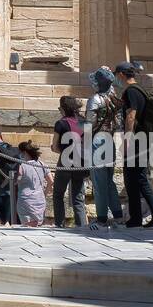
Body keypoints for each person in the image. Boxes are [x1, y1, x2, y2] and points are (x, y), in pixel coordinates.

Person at [115, 62, 153, 228]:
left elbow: (131, 116)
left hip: (137, 141)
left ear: (122, 74)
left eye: (117, 74)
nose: (116, 78)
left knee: (140, 178)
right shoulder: (140, 90)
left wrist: (126, 140)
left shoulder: (131, 91)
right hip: (143, 139)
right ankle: (135, 218)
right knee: (130, 179)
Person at [84, 67, 124, 229]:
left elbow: (89, 124)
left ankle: (101, 220)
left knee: (99, 183)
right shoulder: (115, 99)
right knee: (109, 182)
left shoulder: (95, 100)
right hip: (110, 140)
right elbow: (119, 123)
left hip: (97, 140)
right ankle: (118, 217)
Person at [50, 95, 88, 227]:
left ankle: (60, 224)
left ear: (63, 108)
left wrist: (63, 151)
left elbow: (54, 147)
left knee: (58, 194)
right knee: (78, 196)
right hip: (81, 162)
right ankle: (82, 226)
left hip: (65, 161)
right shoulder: (85, 122)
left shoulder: (61, 123)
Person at [14, 140, 53, 227]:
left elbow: (16, 181)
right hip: (40, 201)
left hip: (25, 201)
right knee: (37, 228)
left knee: (27, 227)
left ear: (24, 153)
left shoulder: (22, 166)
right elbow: (51, 181)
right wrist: (44, 193)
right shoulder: (42, 164)